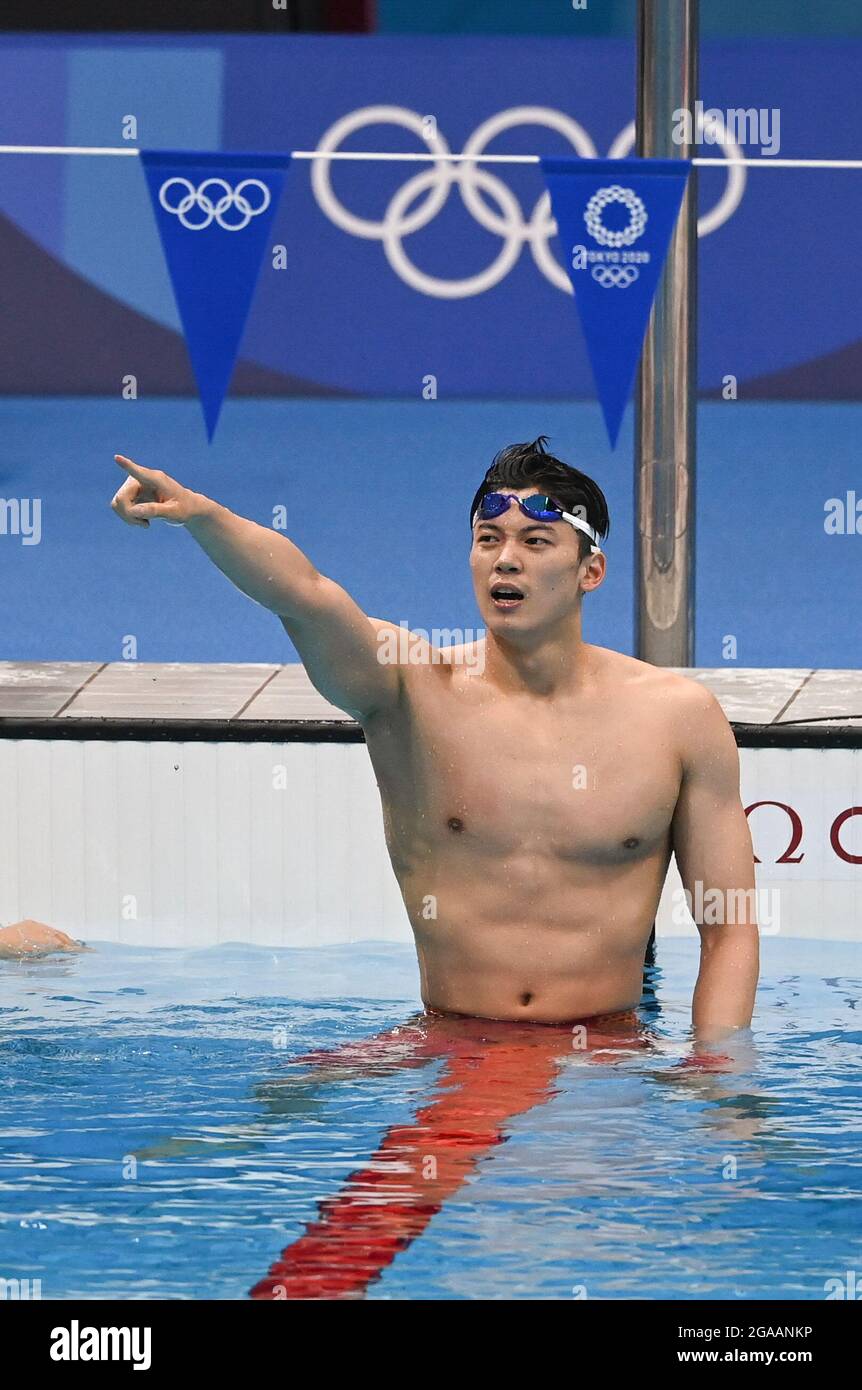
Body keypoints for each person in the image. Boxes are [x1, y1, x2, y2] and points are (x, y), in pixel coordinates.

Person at [0, 436, 759, 1045]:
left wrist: (720, 1080)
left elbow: (728, 930)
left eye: (536, 541)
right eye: (488, 538)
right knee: (251, 1126)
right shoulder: (410, 688)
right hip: (448, 1045)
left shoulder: (677, 719)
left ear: (590, 571)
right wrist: (202, 516)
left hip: (610, 1059)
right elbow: (305, 596)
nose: (506, 559)